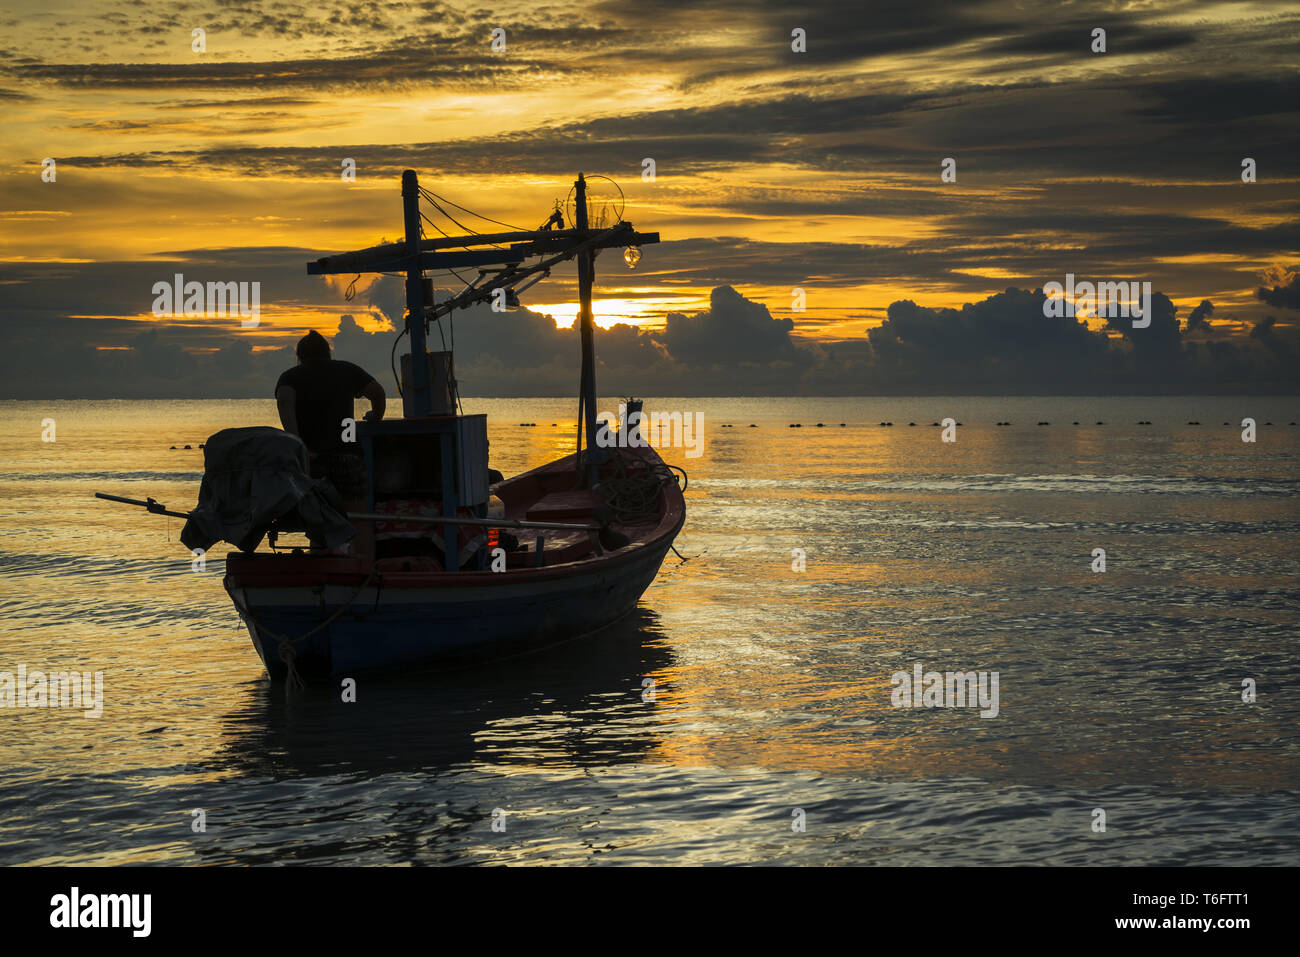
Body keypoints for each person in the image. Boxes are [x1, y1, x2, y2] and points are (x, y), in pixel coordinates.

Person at [275, 330, 385, 552]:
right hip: (348, 455)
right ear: (328, 353)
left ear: (300, 356)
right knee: (359, 519)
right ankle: (365, 568)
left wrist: (299, 444)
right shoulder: (348, 370)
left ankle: (320, 570)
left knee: (318, 520)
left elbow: (285, 404)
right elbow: (378, 393)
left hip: (312, 460)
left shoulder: (290, 377)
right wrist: (375, 416)